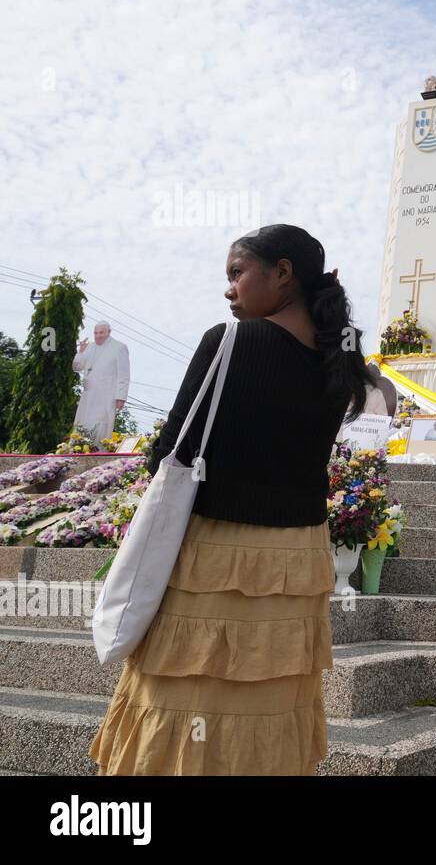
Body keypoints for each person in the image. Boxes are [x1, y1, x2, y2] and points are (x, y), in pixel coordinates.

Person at [89, 224, 376, 775]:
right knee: (268, 711)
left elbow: (171, 450)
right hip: (296, 568)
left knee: (183, 702)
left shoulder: (227, 343)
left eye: (237, 273)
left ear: (283, 274)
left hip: (214, 560)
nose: (230, 289)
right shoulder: (339, 368)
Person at [72, 321, 130, 443]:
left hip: (106, 396)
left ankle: (97, 451)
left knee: (101, 427)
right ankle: (78, 449)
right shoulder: (89, 347)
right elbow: (77, 367)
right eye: (96, 333)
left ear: (109, 332)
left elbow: (124, 375)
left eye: (101, 332)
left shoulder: (119, 347)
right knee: (82, 425)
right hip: (88, 396)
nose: (98, 336)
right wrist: (81, 352)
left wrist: (121, 397)